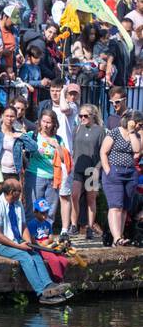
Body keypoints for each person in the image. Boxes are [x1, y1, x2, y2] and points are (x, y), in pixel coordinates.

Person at [0, 178, 72, 303]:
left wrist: (28, 242)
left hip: (15, 241)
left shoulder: (18, 204)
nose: (21, 193)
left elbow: (23, 226)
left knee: (35, 255)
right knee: (25, 257)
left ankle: (48, 285)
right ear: (11, 192)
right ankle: (41, 293)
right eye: (19, 191)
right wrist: (19, 246)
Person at [24, 108, 73, 234]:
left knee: (50, 209)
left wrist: (56, 145)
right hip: (35, 175)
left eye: (49, 122)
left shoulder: (58, 138)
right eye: (44, 121)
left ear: (54, 124)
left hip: (53, 177)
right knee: (33, 207)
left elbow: (64, 159)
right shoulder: (33, 136)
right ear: (40, 122)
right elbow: (22, 150)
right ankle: (31, 234)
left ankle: (46, 234)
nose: (46, 125)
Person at [100, 109, 143, 246]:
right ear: (131, 121)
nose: (140, 127)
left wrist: (132, 133)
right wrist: (108, 170)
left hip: (130, 174)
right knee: (115, 206)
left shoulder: (135, 135)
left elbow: (137, 150)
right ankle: (116, 238)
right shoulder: (114, 132)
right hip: (114, 172)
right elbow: (103, 152)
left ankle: (120, 236)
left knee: (124, 207)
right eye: (138, 124)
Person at [71, 103, 105, 240]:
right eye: (80, 116)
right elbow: (74, 148)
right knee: (74, 195)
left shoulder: (100, 130)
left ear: (93, 116)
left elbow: (103, 151)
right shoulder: (77, 128)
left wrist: (98, 168)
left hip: (92, 168)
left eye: (85, 116)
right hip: (78, 167)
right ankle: (74, 225)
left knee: (91, 198)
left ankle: (89, 227)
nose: (83, 118)